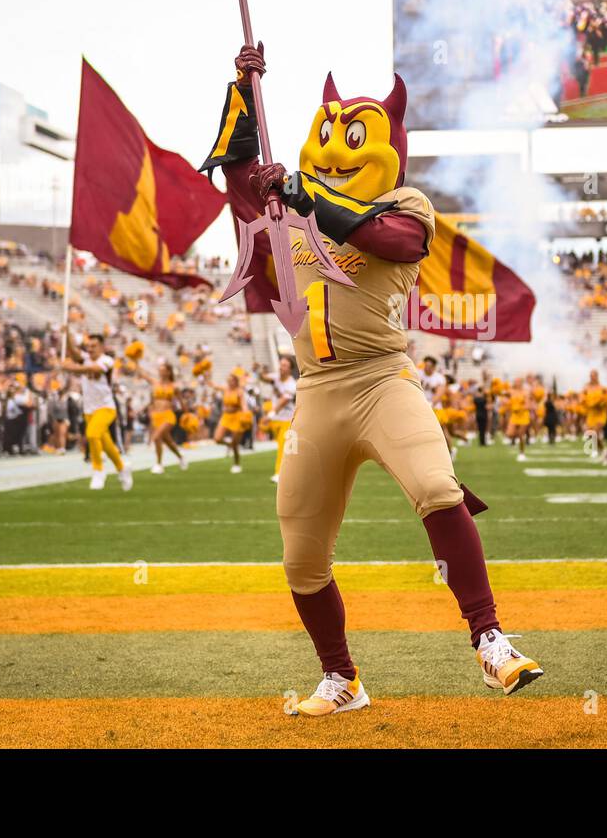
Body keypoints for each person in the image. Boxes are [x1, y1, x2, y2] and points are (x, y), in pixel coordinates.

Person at [204, 43, 540, 715]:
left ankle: (491, 640)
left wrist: (311, 196)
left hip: (382, 379)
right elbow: (239, 175)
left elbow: (390, 240)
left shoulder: (405, 201)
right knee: (300, 556)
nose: (332, 152)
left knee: (436, 488)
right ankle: (342, 679)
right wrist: (242, 89)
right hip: (316, 390)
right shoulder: (293, 204)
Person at [60, 332, 133, 492]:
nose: (90, 349)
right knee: (107, 445)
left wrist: (69, 367)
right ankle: (122, 468)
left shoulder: (107, 361)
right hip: (89, 409)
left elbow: (92, 369)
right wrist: (67, 333)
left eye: (94, 346)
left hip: (106, 407)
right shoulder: (85, 358)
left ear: (102, 347)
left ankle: (98, 470)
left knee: (92, 434)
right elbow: (74, 352)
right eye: (89, 346)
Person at [135, 360, 186, 475]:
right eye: (160, 370)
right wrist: (135, 361)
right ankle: (180, 456)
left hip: (168, 415)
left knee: (157, 437)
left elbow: (182, 404)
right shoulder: (154, 382)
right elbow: (142, 375)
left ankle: (159, 464)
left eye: (163, 370)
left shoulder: (174, 386)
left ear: (168, 372)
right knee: (168, 441)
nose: (161, 372)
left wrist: (187, 415)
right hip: (156, 416)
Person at [266, 356, 298, 482]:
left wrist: (270, 414)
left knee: (284, 447)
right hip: (277, 420)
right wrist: (258, 372)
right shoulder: (276, 378)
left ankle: (279, 473)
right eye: (281, 364)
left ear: (290, 369)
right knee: (291, 449)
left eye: (285, 365)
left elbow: (283, 401)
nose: (281, 367)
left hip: (288, 420)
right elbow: (264, 377)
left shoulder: (292, 384)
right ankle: (293, 473)